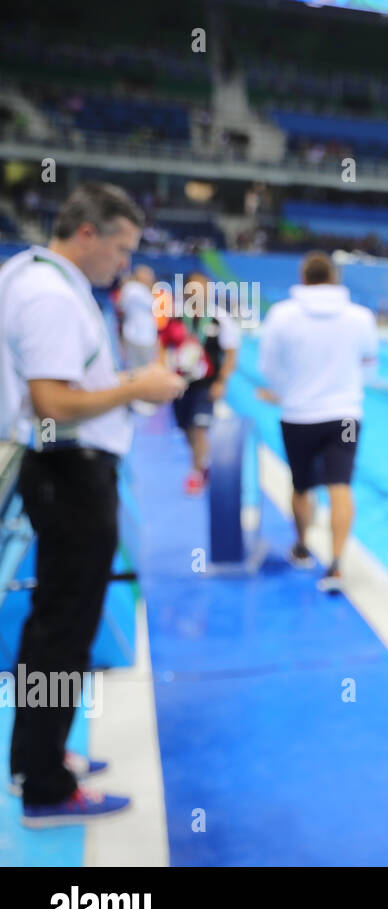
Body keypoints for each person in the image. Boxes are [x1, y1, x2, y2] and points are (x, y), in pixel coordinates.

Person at [0, 183, 184, 826]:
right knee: (63, 630)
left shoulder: (35, 275)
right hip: (70, 472)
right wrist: (138, 385)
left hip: (64, 471)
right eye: (121, 248)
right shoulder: (50, 295)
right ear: (88, 234)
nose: (123, 264)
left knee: (53, 624)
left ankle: (36, 757)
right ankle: (46, 788)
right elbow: (52, 402)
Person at [257, 252, 378, 593]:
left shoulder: (282, 315)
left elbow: (268, 367)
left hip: (298, 415)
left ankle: (301, 546)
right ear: (336, 278)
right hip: (345, 416)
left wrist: (288, 391)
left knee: (301, 485)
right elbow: (369, 368)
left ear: (302, 277)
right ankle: (337, 565)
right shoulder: (360, 317)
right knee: (340, 486)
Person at [160, 271, 242, 496]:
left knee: (199, 428)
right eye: (194, 288)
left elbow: (231, 356)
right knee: (187, 429)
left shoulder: (220, 318)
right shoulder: (175, 316)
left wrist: (221, 382)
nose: (199, 292)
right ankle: (202, 464)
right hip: (180, 385)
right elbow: (163, 347)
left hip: (206, 385)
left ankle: (196, 472)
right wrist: (162, 376)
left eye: (203, 288)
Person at [118, 264, 158, 371]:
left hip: (145, 337)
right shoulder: (133, 288)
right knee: (137, 371)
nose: (150, 278)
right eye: (147, 275)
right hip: (136, 337)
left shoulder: (135, 289)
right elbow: (155, 306)